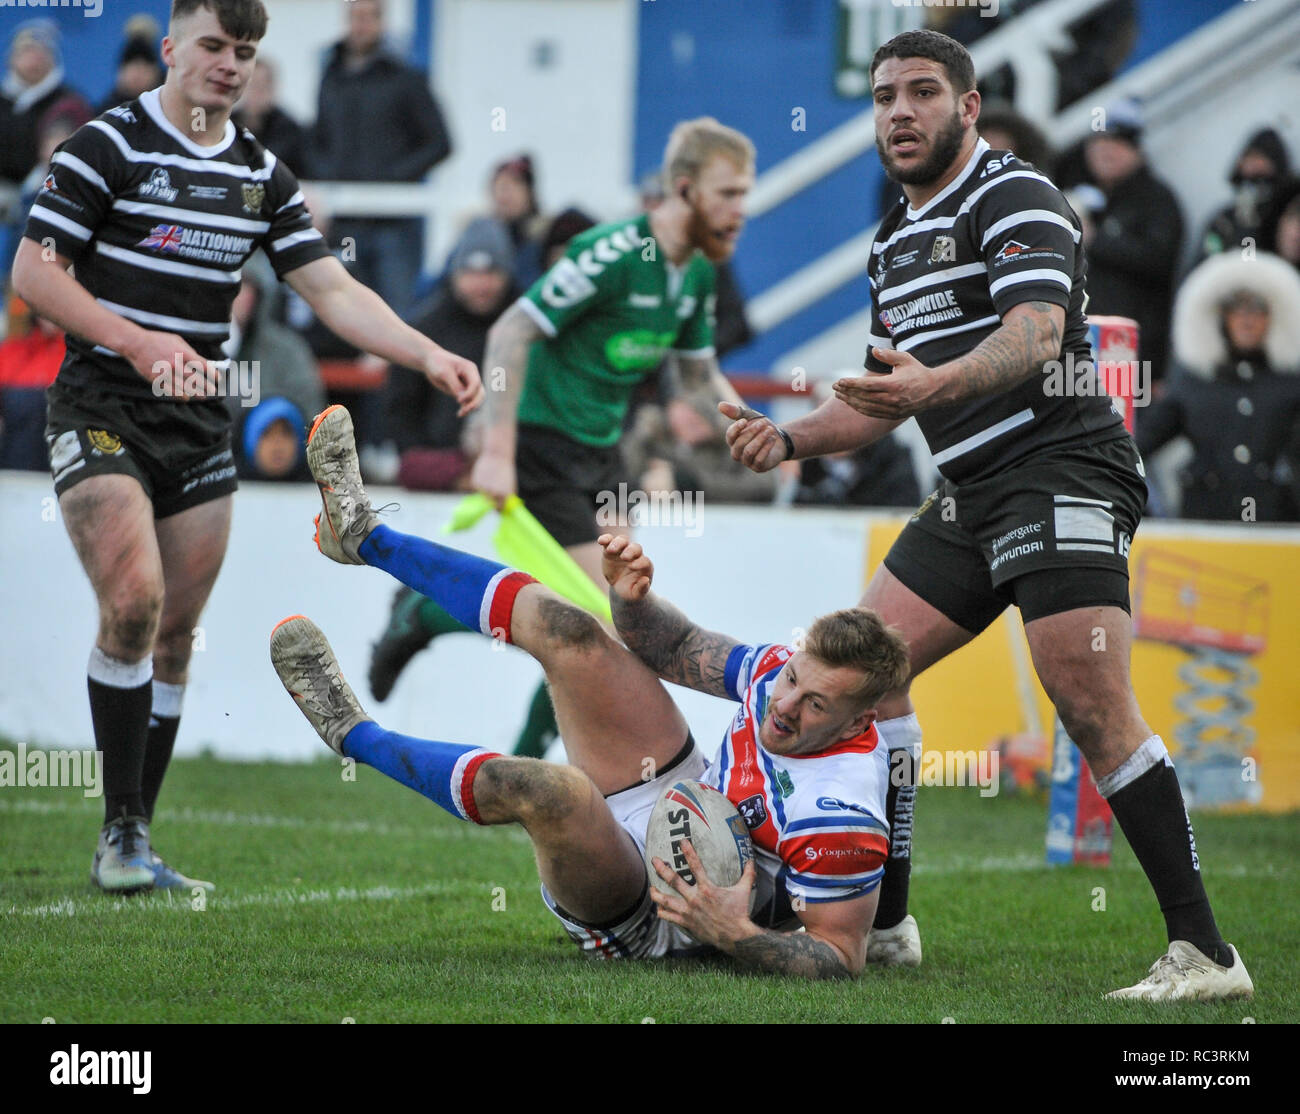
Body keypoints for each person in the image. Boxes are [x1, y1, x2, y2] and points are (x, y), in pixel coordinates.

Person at [724, 29, 1253, 1001]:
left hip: (1062, 471)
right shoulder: (891, 238)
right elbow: (884, 396)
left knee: (1093, 708)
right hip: (971, 494)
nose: (898, 111)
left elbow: (1035, 333)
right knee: (864, 673)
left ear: (968, 107)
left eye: (923, 91)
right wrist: (787, 439)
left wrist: (940, 381)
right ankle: (887, 927)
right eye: (884, 95)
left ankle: (1205, 956)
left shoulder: (1010, 194)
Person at [9, 0, 481, 896]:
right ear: (174, 46)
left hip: (199, 420)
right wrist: (140, 341)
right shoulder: (107, 145)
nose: (230, 64)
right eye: (216, 46)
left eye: (247, 51)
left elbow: (332, 290)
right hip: (103, 400)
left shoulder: (262, 171)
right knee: (135, 605)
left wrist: (425, 351)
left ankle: (134, 841)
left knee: (177, 636)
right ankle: (117, 832)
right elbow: (33, 274)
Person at [272, 404, 911, 977]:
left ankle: (353, 734)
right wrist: (632, 601)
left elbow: (839, 955)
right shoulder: (779, 672)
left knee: (552, 790)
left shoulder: (844, 814)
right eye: (795, 680)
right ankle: (363, 535)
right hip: (678, 793)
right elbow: (676, 649)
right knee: (574, 627)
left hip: (664, 916)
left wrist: (737, 934)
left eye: (815, 705)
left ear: (863, 720)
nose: (785, 704)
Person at [366, 118, 751, 761]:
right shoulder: (614, 253)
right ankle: (530, 754)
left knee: (598, 620)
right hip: (540, 444)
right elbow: (511, 332)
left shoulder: (698, 272)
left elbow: (695, 375)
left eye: (745, 194)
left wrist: (762, 435)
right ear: (684, 190)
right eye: (729, 194)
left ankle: (429, 620)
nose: (742, 209)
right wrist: (494, 448)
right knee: (608, 622)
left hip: (604, 453)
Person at [311, 0, 452, 317]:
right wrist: (327, 173)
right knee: (342, 309)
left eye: (369, 17)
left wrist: (393, 176)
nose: (361, 25)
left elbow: (440, 142)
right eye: (355, 17)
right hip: (345, 220)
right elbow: (319, 137)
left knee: (396, 313)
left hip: (394, 224)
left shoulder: (405, 77)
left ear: (382, 22)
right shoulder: (332, 75)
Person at [1137, 252, 1300, 522]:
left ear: (1274, 316)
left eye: (1258, 308)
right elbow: (1140, 445)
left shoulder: (1290, 386)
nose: (1247, 319)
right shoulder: (1195, 383)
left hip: (1276, 529)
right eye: (1237, 307)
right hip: (1205, 527)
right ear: (1221, 316)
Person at [382, 217, 519, 490]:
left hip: (516, 462)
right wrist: (446, 467)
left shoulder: (526, 326)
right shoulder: (426, 328)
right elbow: (399, 408)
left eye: (491, 273)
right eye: (471, 273)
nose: (481, 284)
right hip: (441, 465)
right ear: (455, 273)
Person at [1070, 98, 1184, 384]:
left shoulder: (1157, 200)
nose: (1105, 150)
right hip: (1082, 348)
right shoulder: (1086, 199)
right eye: (1097, 142)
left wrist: (1097, 240)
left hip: (1130, 351)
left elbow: (1159, 260)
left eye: (1117, 142)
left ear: (1136, 148)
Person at [231, 58, 307, 178]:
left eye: (262, 86)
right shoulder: (226, 124)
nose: (256, 92)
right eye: (252, 85)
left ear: (272, 87)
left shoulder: (290, 130)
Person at [96, 16, 166, 115]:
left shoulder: (167, 104)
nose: (137, 76)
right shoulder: (108, 110)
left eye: (144, 69)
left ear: (156, 72)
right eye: (133, 69)